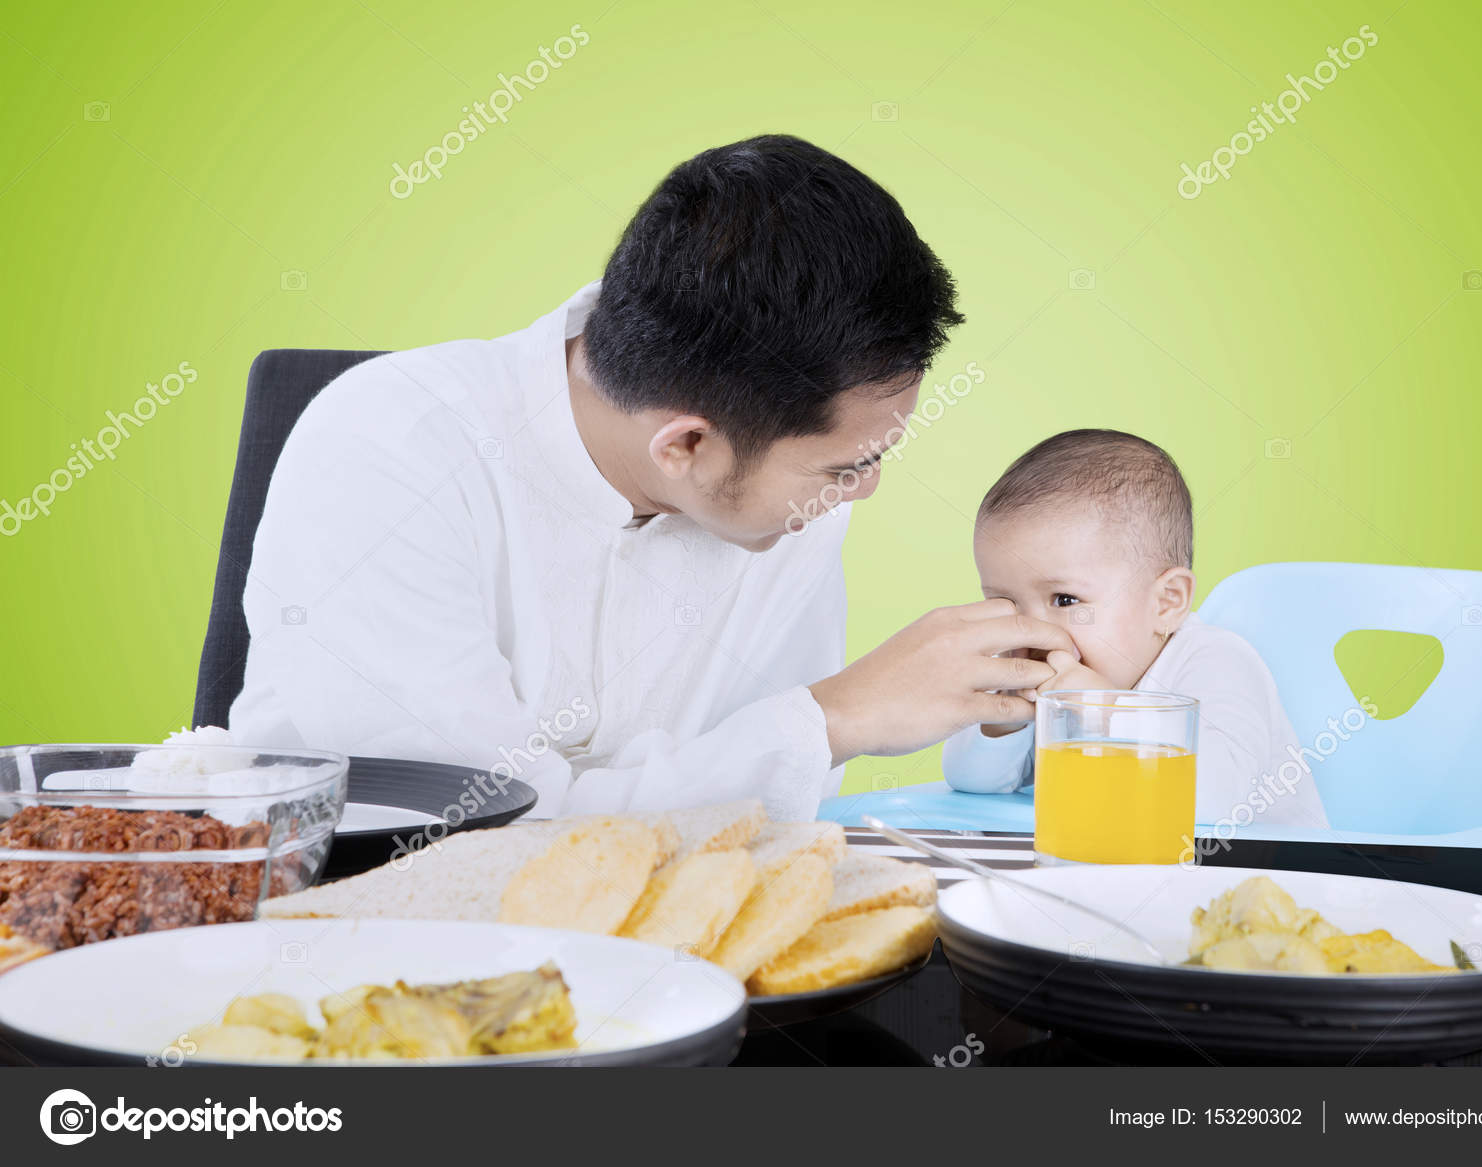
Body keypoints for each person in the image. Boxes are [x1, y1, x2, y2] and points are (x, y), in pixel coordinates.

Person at [230, 134, 1079, 820]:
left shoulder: (790, 504)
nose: (863, 490)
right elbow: (473, 831)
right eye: (848, 465)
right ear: (686, 446)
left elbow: (763, 815)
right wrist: (836, 716)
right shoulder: (389, 450)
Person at [942, 429, 1328, 827]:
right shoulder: (1036, 678)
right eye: (1005, 603)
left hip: (1261, 875)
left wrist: (1106, 713)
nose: (1033, 630)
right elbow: (971, 783)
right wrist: (1000, 719)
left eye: (1065, 600)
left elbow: (1218, 801)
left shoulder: (1216, 662)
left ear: (1166, 602)